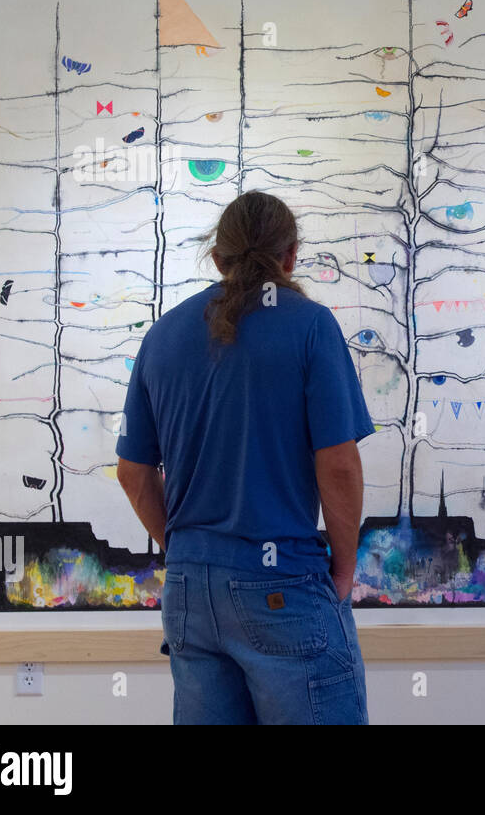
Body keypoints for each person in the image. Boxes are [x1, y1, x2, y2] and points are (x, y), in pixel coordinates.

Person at [116, 190, 375, 724]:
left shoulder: (162, 336)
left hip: (189, 592)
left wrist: (186, 549)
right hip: (281, 583)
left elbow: (133, 473)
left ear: (218, 258)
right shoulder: (309, 326)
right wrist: (344, 571)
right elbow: (340, 465)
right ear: (291, 255)